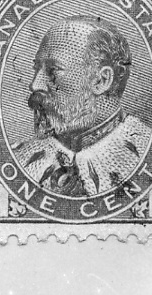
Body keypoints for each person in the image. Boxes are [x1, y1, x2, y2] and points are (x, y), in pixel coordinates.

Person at [12, 15, 152, 196]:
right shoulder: (20, 159)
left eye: (53, 70)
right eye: (36, 68)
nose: (35, 85)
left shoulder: (145, 151)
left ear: (101, 80)